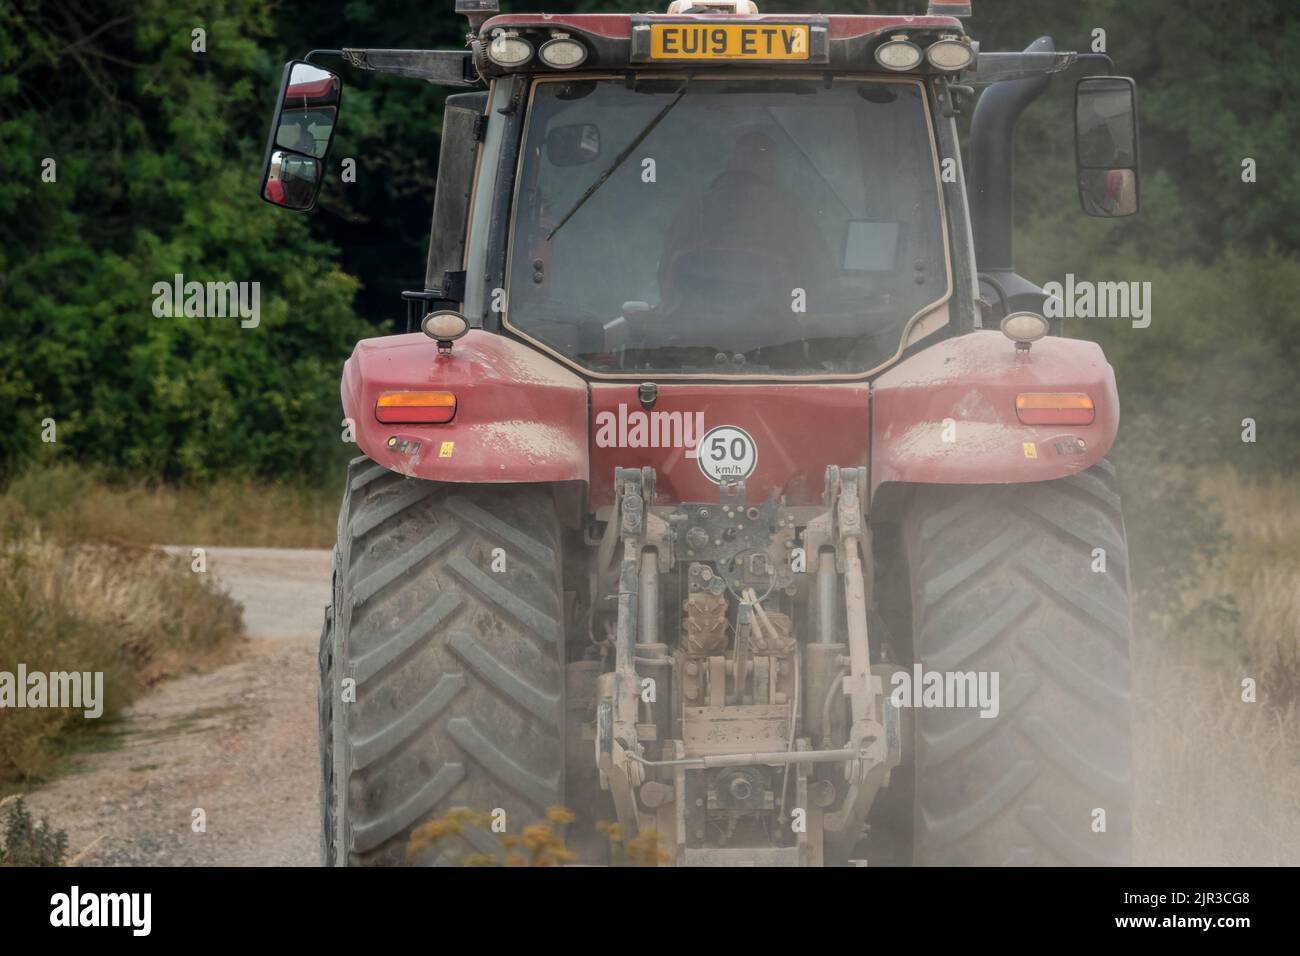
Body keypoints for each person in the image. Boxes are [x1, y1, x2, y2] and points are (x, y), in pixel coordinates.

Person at [657, 130, 834, 319]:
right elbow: (821, 279)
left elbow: (665, 277)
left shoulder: (690, 210)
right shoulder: (792, 213)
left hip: (688, 339)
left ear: (732, 164)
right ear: (773, 167)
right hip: (775, 340)